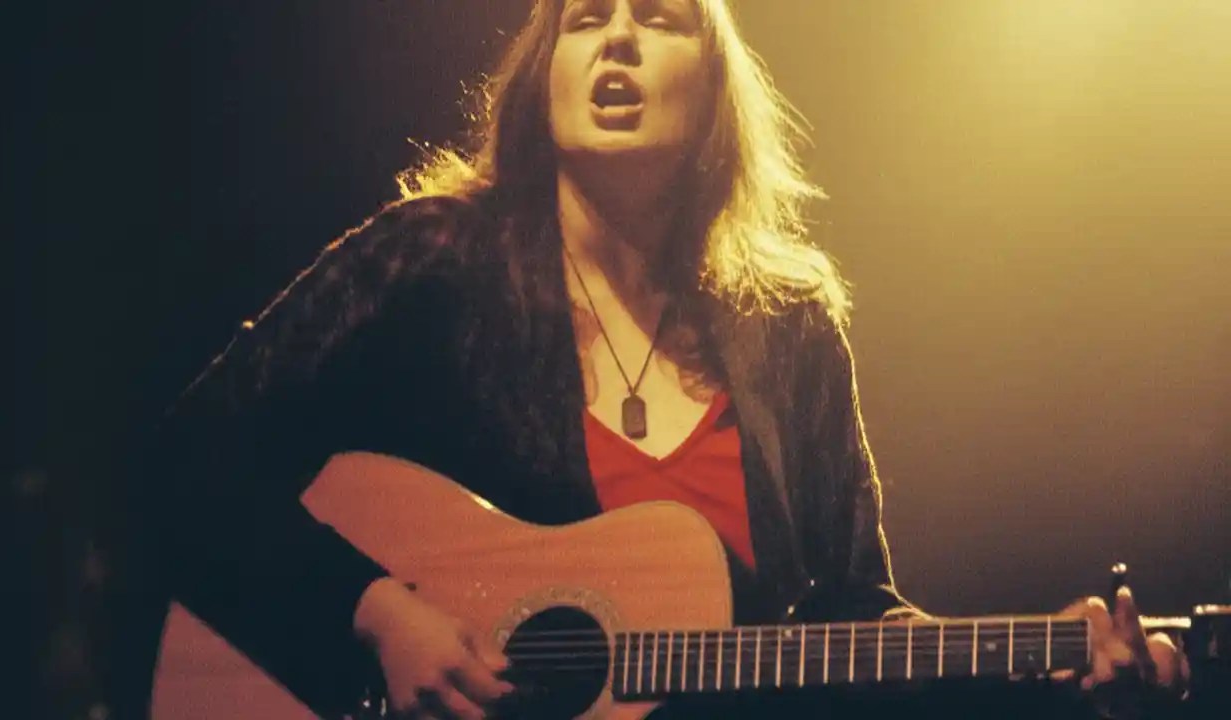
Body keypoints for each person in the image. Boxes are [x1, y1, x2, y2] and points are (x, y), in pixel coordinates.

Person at [154, 0, 1188, 717]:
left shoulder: (787, 325)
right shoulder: (429, 263)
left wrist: (1046, 664)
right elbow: (179, 465)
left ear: (714, 84)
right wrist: (377, 617)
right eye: (582, 20)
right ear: (543, 70)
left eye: (656, 19)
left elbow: (854, 618)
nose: (615, 44)